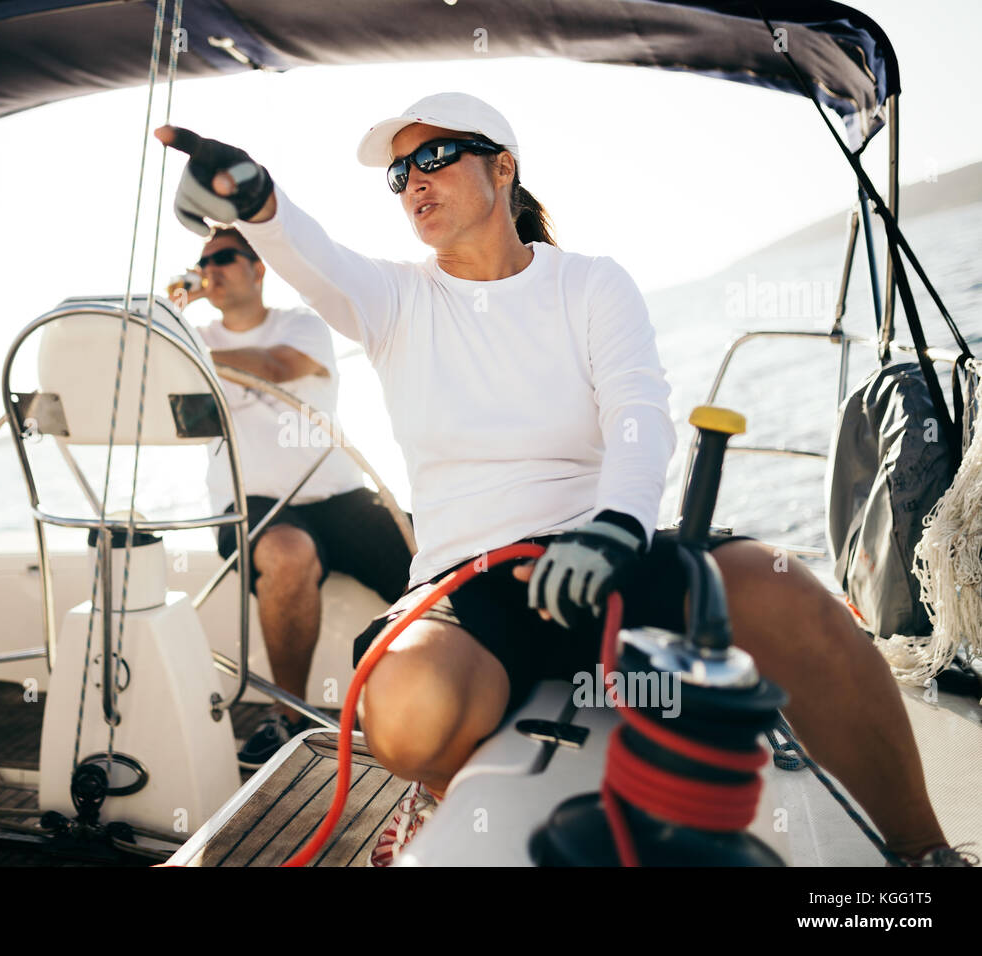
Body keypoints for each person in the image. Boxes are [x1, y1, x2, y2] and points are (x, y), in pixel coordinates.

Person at [153, 93, 969, 868]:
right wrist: (254, 197)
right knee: (404, 714)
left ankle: (921, 857)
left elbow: (638, 411)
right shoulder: (393, 300)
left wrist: (616, 521)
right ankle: (445, 796)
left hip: (606, 550)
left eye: (435, 156)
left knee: (787, 594)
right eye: (400, 174)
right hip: (466, 585)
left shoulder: (589, 282)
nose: (414, 183)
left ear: (502, 168)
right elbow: (305, 249)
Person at [171, 225, 413, 769]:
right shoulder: (190, 339)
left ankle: (472, 681)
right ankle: (291, 715)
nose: (212, 268)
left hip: (339, 495)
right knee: (286, 555)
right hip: (252, 506)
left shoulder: (300, 326)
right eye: (203, 261)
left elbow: (280, 367)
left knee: (431, 558)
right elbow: (145, 348)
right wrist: (182, 293)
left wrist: (195, 360)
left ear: (259, 268)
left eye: (226, 257)